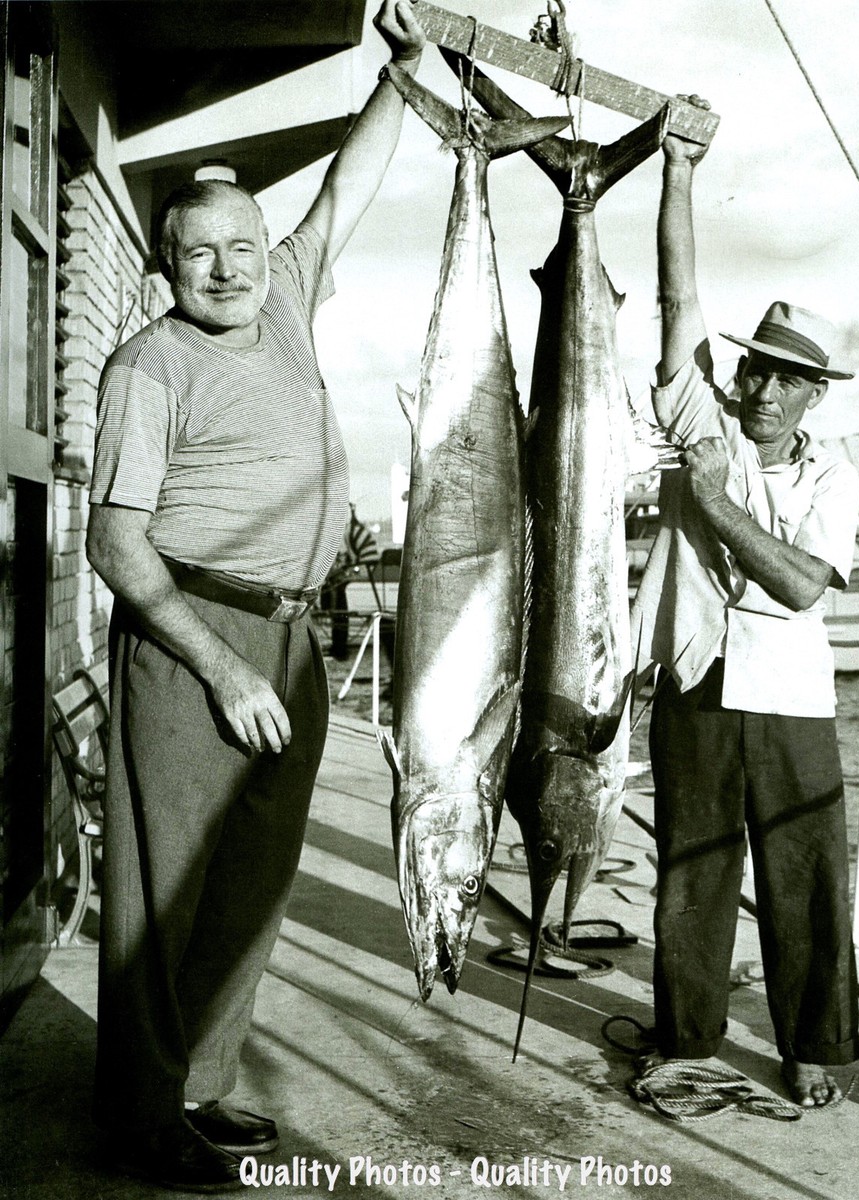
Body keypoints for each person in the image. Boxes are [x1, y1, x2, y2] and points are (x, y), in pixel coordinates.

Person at [85, 3, 424, 1190]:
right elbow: (113, 542)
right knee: (164, 890)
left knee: (253, 882)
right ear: (163, 266)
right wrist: (218, 665)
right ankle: (133, 1123)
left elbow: (346, 192)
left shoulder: (281, 292)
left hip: (291, 632)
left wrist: (403, 75)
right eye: (197, 254)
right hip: (195, 631)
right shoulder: (149, 365)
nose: (225, 271)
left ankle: (198, 1086)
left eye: (240, 246)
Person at [630, 126, 859, 1109]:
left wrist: (718, 505)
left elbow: (803, 584)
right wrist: (679, 173)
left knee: (801, 868)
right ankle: (686, 1033)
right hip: (693, 673)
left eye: (785, 378)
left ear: (813, 393)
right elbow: (678, 302)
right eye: (754, 369)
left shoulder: (835, 470)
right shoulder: (701, 421)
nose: (762, 391)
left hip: (791, 698)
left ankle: (812, 1043)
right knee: (691, 867)